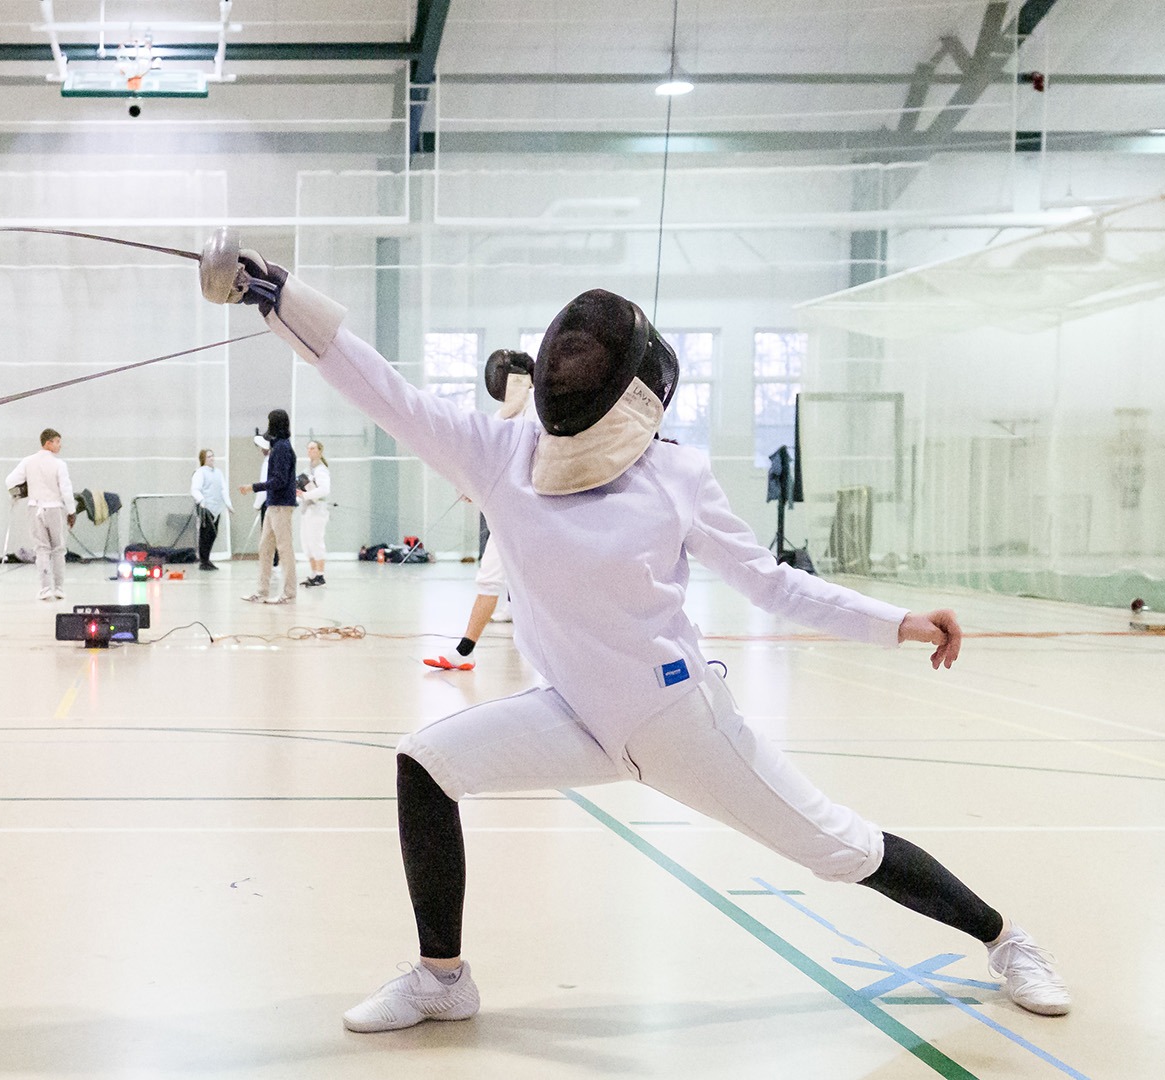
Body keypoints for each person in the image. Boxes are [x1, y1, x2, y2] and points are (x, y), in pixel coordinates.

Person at [203, 252, 1070, 1032]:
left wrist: (899, 623)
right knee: (426, 762)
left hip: (680, 720)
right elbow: (382, 387)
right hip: (575, 712)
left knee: (841, 848)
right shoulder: (499, 454)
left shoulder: (678, 474)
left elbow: (770, 582)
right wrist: (277, 297)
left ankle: (1007, 940)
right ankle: (443, 980)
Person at [426, 353, 534, 671]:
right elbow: (487, 461)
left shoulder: (538, 414)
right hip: (508, 517)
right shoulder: (501, 419)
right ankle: (465, 651)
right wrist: (473, 487)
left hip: (537, 515)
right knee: (489, 579)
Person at [5, 428, 74, 601]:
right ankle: (58, 588)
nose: (60, 445)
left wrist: (23, 490)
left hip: (34, 509)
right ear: (48, 442)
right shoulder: (59, 464)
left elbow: (10, 481)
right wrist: (71, 511)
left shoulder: (28, 462)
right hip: (55, 509)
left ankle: (45, 589)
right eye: (57, 441)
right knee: (58, 549)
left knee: (41, 550)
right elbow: (66, 489)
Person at [239, 410, 296, 604]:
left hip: (282, 505)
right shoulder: (278, 446)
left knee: (285, 549)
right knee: (265, 548)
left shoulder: (282, 448)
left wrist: (253, 487)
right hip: (272, 505)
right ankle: (262, 591)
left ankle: (288, 593)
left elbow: (279, 480)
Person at [297, 439, 331, 587]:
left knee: (316, 541)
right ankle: (313, 573)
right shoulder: (308, 469)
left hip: (318, 510)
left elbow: (324, 489)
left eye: (313, 448)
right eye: (308, 449)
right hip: (307, 509)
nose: (310, 451)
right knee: (307, 543)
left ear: (319, 451)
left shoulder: (321, 469)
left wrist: (305, 495)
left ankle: (320, 575)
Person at [190, 449, 229, 571]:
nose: (212, 458)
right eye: (208, 457)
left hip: (216, 508)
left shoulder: (218, 473)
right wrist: (201, 500)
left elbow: (223, 489)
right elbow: (195, 489)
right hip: (205, 508)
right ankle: (203, 560)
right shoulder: (200, 473)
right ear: (203, 459)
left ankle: (207, 559)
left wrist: (228, 504)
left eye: (212, 456)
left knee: (213, 534)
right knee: (205, 534)